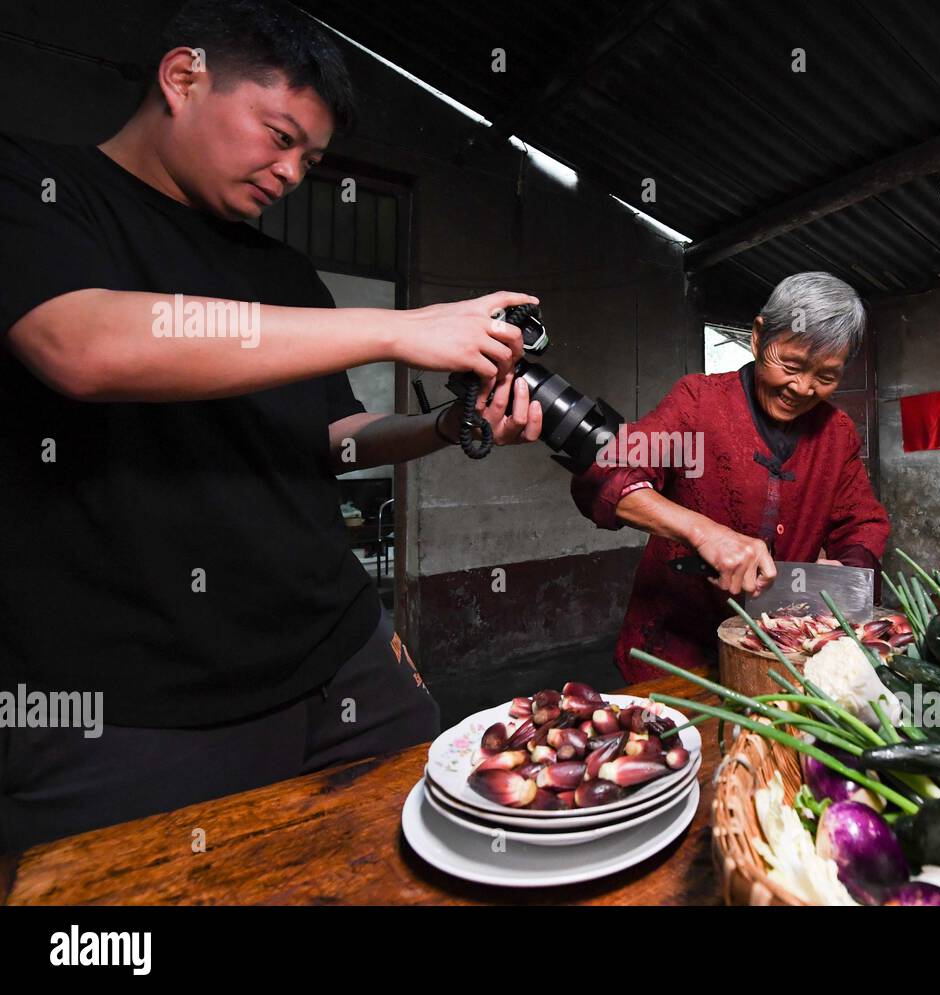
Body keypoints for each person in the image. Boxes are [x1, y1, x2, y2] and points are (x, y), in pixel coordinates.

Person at [0, 0, 543, 851]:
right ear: (184, 77)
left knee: (426, 854)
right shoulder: (40, 190)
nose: (292, 174)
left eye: (313, 158)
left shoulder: (284, 272)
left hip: (341, 661)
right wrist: (399, 327)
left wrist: (444, 425)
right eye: (279, 135)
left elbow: (337, 435)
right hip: (130, 706)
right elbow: (82, 344)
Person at [572, 272, 890, 683]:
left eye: (826, 377)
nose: (803, 387)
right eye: (791, 365)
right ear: (758, 337)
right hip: (674, 656)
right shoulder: (698, 403)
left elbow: (861, 522)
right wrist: (704, 533)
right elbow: (610, 472)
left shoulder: (837, 432)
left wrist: (845, 577)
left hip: (778, 656)